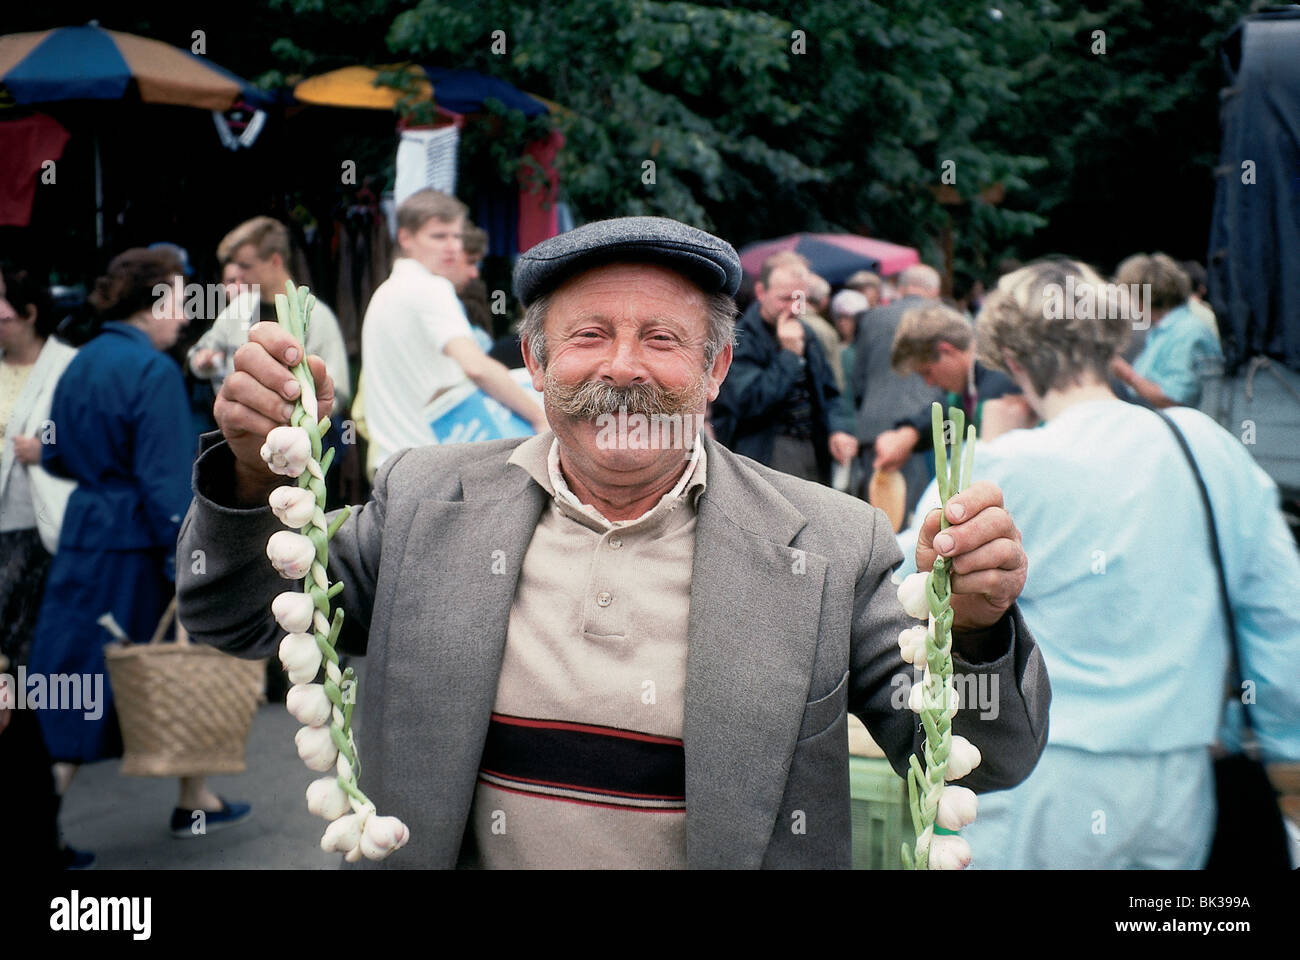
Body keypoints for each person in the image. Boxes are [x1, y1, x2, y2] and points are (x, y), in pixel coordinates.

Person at [177, 215, 1050, 869]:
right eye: (589, 336)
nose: (623, 367)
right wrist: (258, 479)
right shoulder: (423, 503)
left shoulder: (830, 544)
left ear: (713, 371)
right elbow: (237, 621)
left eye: (662, 340)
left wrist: (972, 629)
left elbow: (989, 755)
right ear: (536, 358)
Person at [900, 258, 1300, 869]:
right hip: (1180, 775)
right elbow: (1279, 617)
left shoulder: (1009, 469)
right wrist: (1284, 746)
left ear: (1012, 360)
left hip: (1040, 777)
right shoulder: (1206, 446)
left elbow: (906, 584)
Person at [28, 248, 251, 840]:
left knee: (75, 677)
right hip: (133, 544)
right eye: (179, 300)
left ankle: (194, 797)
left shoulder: (81, 361)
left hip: (84, 532)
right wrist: (190, 554)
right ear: (153, 302)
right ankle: (37, 831)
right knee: (163, 664)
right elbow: (164, 484)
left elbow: (54, 453)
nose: (184, 315)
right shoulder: (151, 371)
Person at [358, 189, 546, 475]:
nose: (451, 247)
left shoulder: (385, 292)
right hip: (426, 465)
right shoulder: (430, 287)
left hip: (391, 464)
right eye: (438, 236)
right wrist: (539, 419)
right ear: (406, 238)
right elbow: (476, 366)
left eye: (456, 236)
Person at [0, 261, 78, 868]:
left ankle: (40, 830)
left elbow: (90, 441)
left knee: (27, 678)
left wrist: (45, 449)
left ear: (27, 309)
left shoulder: (68, 365)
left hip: (40, 533)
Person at [711, 252, 858, 484]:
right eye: (784, 299)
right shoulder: (739, 338)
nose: (793, 307)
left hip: (812, 451)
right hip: (762, 455)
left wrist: (839, 429)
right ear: (761, 292)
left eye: (799, 298)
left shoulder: (806, 333)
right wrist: (789, 356)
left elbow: (830, 392)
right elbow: (747, 401)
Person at [189, 216, 351, 412]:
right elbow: (198, 355)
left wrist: (297, 418)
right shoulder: (239, 308)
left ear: (275, 261)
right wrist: (204, 362)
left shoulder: (317, 316)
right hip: (240, 434)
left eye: (246, 266)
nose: (239, 276)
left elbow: (338, 391)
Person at [871, 301, 1020, 473]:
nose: (929, 382)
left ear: (946, 351)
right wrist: (909, 434)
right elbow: (947, 412)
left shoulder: (998, 385)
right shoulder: (972, 383)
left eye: (927, 372)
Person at [851, 264, 945, 516]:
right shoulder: (946, 318)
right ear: (935, 291)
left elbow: (857, 381)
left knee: (876, 521)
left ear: (901, 288)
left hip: (874, 429)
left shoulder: (872, 318)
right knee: (924, 520)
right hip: (926, 434)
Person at [1109, 252, 1222, 408]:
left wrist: (1124, 373)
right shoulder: (1164, 331)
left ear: (1142, 299)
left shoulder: (1187, 333)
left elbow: (1173, 398)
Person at [829, 288, 868, 409]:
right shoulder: (834, 347)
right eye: (839, 317)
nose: (842, 323)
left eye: (848, 318)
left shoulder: (866, 349)